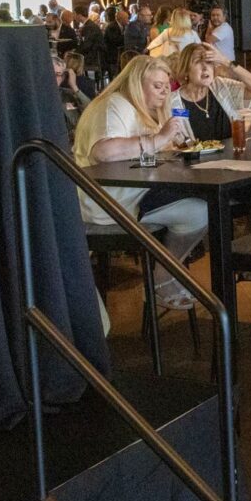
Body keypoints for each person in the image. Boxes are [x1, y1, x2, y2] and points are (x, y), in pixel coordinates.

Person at [73, 56, 207, 310]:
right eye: (157, 86)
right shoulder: (115, 104)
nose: (165, 91)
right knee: (200, 210)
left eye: (167, 86)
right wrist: (159, 139)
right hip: (106, 201)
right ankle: (162, 278)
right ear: (136, 84)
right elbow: (104, 152)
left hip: (132, 192)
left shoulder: (138, 110)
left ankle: (166, 274)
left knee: (200, 202)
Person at [168, 43, 251, 142]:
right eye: (198, 62)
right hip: (197, 157)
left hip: (232, 155)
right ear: (186, 70)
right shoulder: (174, 102)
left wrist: (226, 62)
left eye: (209, 62)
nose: (205, 67)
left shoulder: (220, 86)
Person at [54, 55, 90, 135]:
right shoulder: (38, 96)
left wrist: (74, 87)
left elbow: (91, 111)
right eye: (53, 74)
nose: (55, 78)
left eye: (59, 75)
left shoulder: (68, 94)